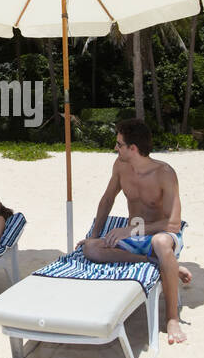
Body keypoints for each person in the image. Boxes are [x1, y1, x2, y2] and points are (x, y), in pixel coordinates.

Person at [78, 119, 193, 344]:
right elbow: (107, 199)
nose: (115, 148)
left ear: (133, 148)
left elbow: (173, 224)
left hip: (160, 233)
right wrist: (94, 235)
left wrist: (130, 231)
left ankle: (172, 318)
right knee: (91, 249)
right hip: (136, 236)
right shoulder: (120, 167)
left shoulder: (165, 173)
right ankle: (162, 264)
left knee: (161, 243)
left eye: (119, 144)